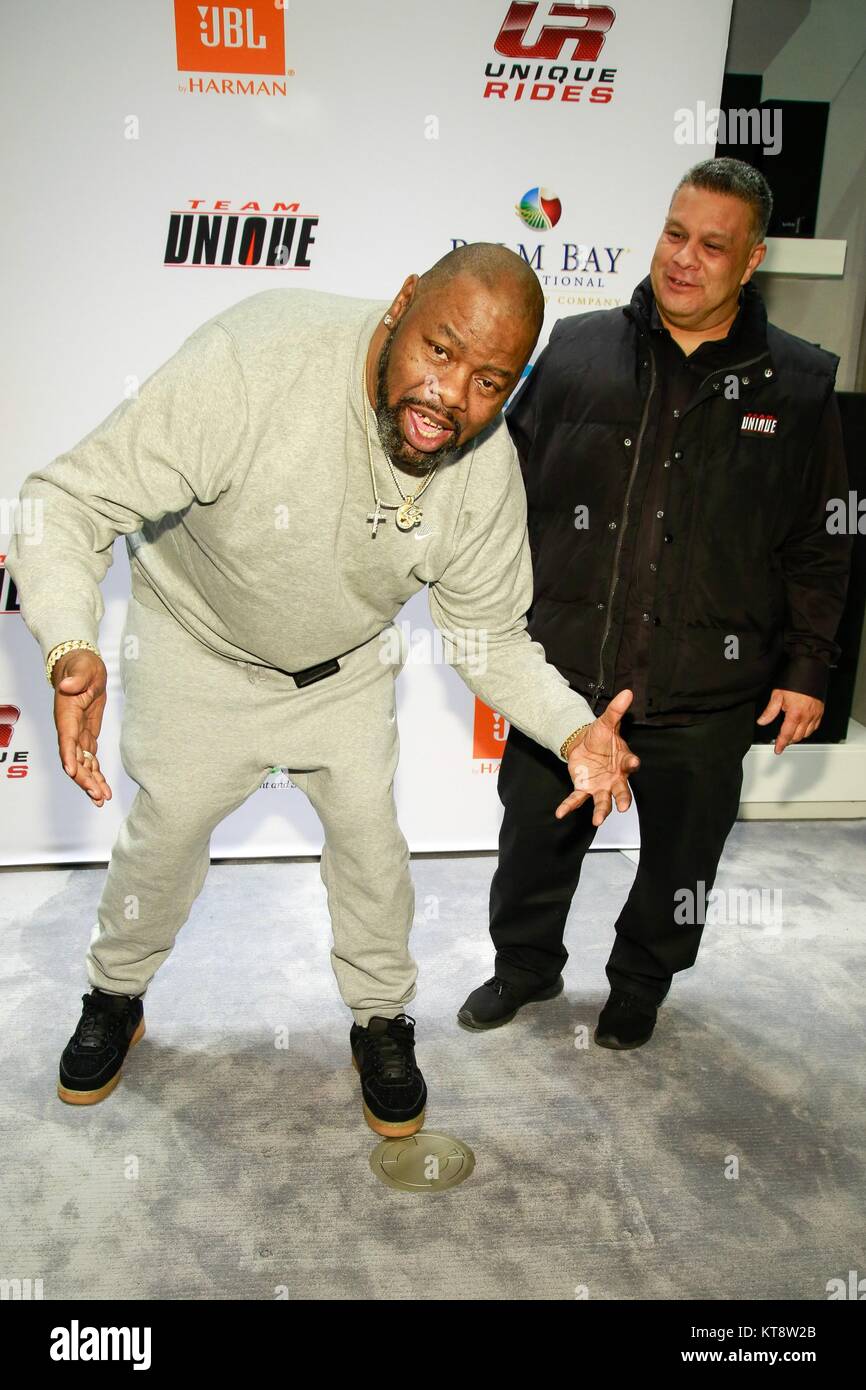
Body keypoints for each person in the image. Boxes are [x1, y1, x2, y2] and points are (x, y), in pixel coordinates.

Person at [6, 243, 640, 1135]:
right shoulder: (256, 363)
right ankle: (116, 995)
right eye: (441, 351)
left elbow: (487, 635)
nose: (451, 400)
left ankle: (381, 1019)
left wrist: (575, 732)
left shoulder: (482, 469)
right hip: (200, 650)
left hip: (340, 671)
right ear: (402, 305)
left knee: (372, 848)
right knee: (167, 834)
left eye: (491, 381)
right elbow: (63, 500)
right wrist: (71, 637)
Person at [458, 160, 852, 1048]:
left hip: (709, 687)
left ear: (750, 261)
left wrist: (809, 666)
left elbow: (820, 542)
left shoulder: (797, 384)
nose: (685, 258)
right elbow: (499, 494)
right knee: (532, 842)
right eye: (676, 233)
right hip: (566, 675)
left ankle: (641, 980)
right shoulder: (575, 348)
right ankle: (523, 967)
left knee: (682, 862)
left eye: (714, 245)